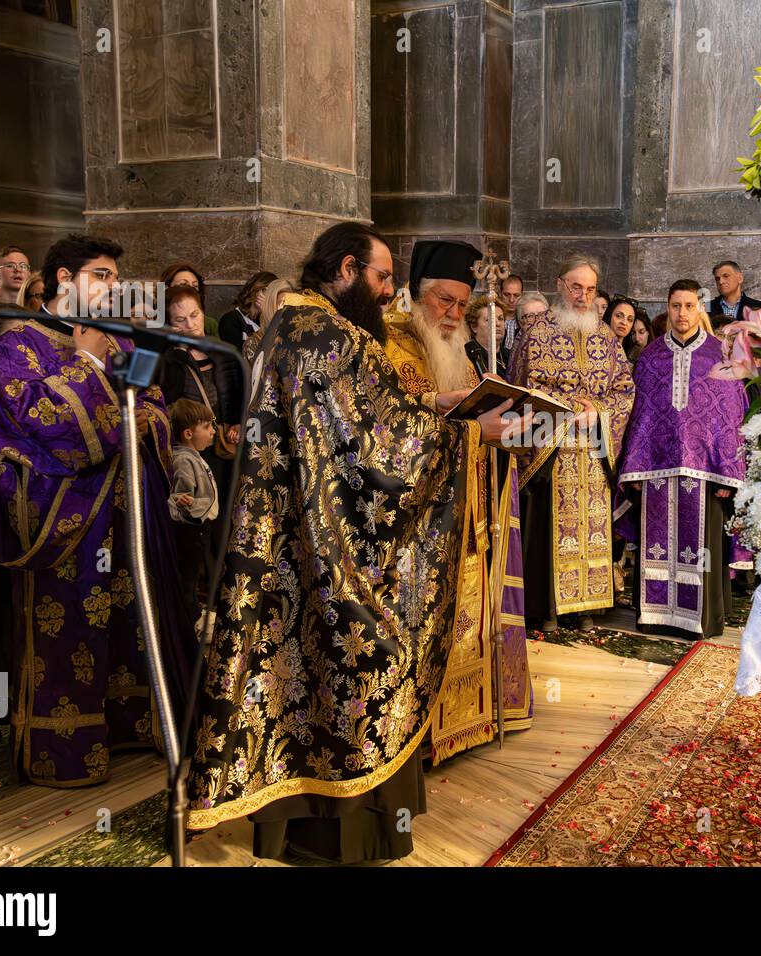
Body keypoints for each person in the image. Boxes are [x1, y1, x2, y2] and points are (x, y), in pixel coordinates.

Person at [186, 222, 528, 863]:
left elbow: (368, 425)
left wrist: (441, 409)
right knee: (354, 665)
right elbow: (378, 456)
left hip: (298, 540)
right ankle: (345, 835)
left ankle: (302, 826)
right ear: (346, 268)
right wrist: (468, 434)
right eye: (378, 278)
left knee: (297, 675)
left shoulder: (292, 325)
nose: (384, 293)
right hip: (333, 548)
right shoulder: (326, 334)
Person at [0, 233, 193, 787]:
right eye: (101, 276)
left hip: (126, 515)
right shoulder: (17, 345)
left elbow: (152, 410)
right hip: (67, 520)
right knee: (70, 629)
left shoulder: (119, 342)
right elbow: (35, 425)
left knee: (125, 624)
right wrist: (85, 363)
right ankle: (67, 751)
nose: (112, 287)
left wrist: (144, 421)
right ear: (63, 281)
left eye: (115, 279)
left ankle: (127, 726)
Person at [382, 239, 533, 762]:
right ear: (414, 294)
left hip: (471, 515)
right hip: (420, 527)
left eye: (462, 305)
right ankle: (419, 734)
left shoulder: (463, 354)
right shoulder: (389, 346)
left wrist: (508, 428)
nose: (452, 314)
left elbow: (468, 416)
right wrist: (471, 430)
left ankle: (470, 717)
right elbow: (395, 436)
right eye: (444, 301)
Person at [615, 279, 749, 638]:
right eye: (676, 306)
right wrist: (636, 468)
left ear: (700, 308)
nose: (682, 314)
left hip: (706, 475)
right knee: (656, 543)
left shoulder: (719, 355)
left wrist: (728, 474)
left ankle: (702, 617)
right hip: (657, 470)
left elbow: (732, 417)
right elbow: (639, 414)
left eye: (689, 306)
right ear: (667, 307)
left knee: (701, 548)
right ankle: (656, 614)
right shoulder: (652, 356)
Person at [509, 253, 635, 631]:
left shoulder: (608, 339)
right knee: (549, 530)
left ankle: (586, 609)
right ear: (560, 284)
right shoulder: (536, 335)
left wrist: (596, 411)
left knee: (592, 529)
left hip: (594, 452)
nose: (583, 295)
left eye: (590, 289)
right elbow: (522, 389)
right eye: (576, 286)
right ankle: (547, 609)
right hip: (551, 449)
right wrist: (565, 409)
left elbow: (624, 390)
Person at [159, 286, 243, 512]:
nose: (190, 324)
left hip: (224, 447)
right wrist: (180, 353)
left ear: (204, 312)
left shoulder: (226, 353)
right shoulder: (169, 360)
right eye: (180, 320)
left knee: (228, 510)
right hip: (191, 455)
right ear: (170, 324)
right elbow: (166, 406)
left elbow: (240, 394)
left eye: (194, 315)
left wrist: (237, 422)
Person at [166, 398, 219, 623]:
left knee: (192, 578)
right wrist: (182, 502)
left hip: (199, 528)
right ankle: (188, 624)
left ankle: (191, 617)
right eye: (207, 427)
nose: (213, 432)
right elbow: (179, 498)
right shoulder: (184, 461)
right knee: (187, 580)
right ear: (188, 434)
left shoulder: (192, 457)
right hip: (191, 530)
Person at [217, 271, 277, 352]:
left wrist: (268, 314)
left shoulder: (269, 319)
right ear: (257, 291)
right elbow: (237, 356)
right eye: (268, 292)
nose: (271, 298)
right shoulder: (231, 319)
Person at [160, 262, 216, 337]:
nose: (190, 290)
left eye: (195, 286)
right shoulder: (155, 325)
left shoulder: (210, 324)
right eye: (183, 285)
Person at [709, 260, 761, 331]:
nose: (721, 282)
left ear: (740, 278)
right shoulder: (706, 308)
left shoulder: (759, 307)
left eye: (726, 276)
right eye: (717, 279)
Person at [500, 274, 523, 355]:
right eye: (506, 295)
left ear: (522, 295)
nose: (511, 300)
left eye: (516, 295)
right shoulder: (492, 319)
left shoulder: (525, 321)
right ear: (500, 293)